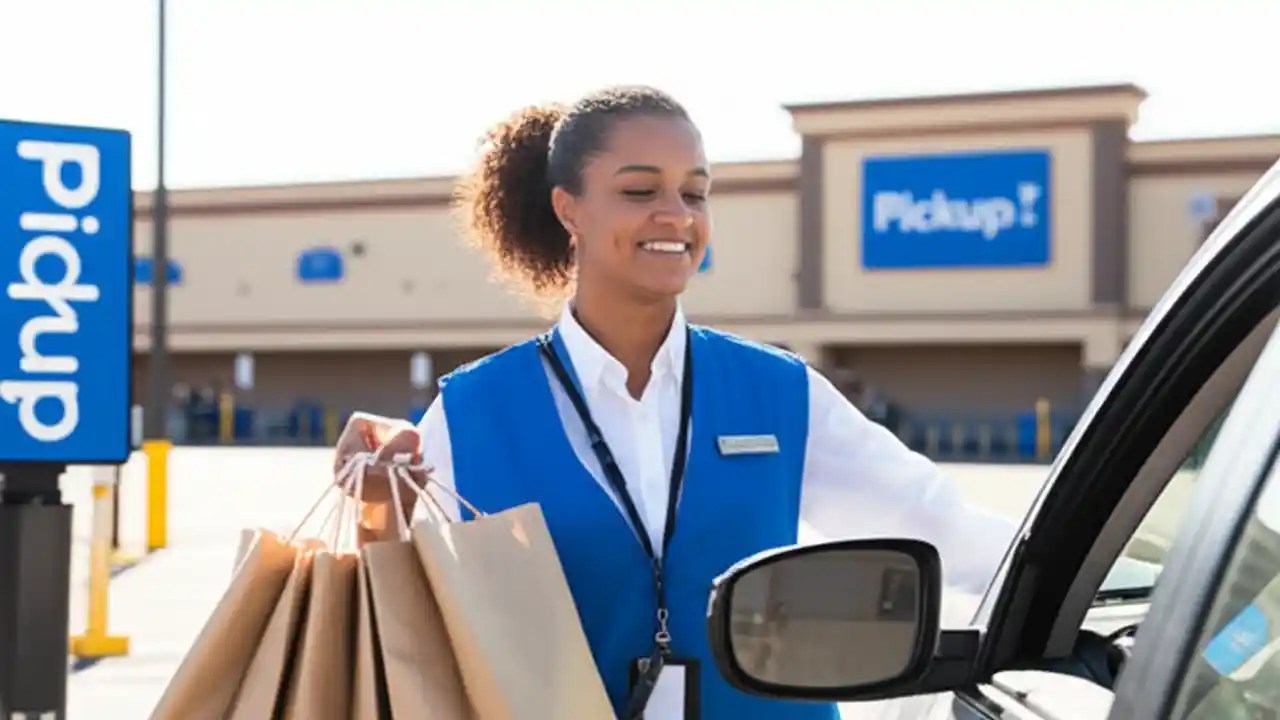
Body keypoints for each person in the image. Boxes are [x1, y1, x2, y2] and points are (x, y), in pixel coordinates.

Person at [334, 85, 1016, 720]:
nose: (676, 216)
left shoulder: (781, 392)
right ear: (568, 207)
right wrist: (378, 497)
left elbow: (943, 528)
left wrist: (1101, 584)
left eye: (696, 193)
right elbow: (398, 627)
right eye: (640, 190)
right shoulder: (472, 412)